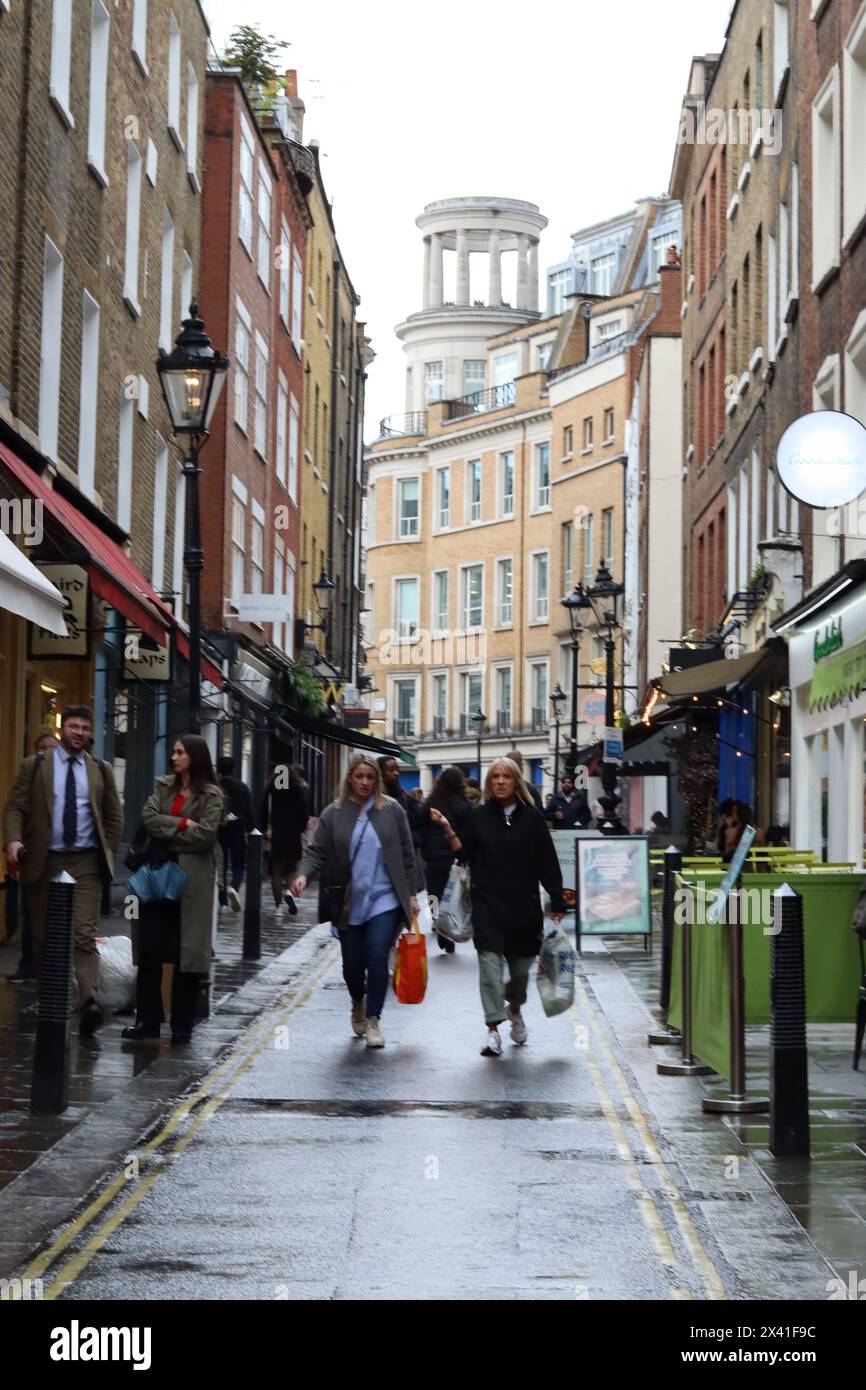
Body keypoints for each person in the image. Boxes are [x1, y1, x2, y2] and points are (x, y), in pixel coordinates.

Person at [429, 756, 566, 1057]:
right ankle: (493, 1031)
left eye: (506, 777)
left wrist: (557, 898)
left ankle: (514, 1009)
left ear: (516, 782)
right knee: (490, 969)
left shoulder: (532, 819)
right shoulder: (479, 816)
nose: (500, 782)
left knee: (519, 973)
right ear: (490, 783)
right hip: (487, 903)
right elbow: (466, 854)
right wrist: (447, 828)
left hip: (524, 907)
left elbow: (547, 861)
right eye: (495, 777)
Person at [3, 707, 122, 1035]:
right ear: (62, 730)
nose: (80, 732)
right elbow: (15, 806)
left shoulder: (101, 769)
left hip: (85, 861)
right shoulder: (36, 765)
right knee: (45, 937)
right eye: (74, 726)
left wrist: (106, 852)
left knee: (84, 933)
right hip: (45, 858)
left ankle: (88, 1001)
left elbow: (114, 815)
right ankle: (51, 997)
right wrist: (13, 840)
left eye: (85, 727)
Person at [291, 754, 419, 1049]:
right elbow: (316, 851)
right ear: (350, 778)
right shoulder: (333, 813)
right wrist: (303, 876)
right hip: (348, 901)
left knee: (376, 954)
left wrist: (411, 893)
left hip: (384, 898)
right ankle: (357, 1000)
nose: (364, 782)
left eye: (370, 777)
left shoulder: (393, 810)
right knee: (352, 966)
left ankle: (374, 1020)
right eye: (359, 776)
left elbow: (407, 854)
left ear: (377, 780)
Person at [122, 735, 224, 1045]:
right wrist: (182, 825)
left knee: (187, 954)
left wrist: (167, 834)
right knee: (149, 950)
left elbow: (205, 836)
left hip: (191, 882)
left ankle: (182, 1025)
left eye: (180, 752)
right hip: (155, 879)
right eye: (173, 752)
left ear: (194, 756)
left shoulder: (213, 795)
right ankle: (148, 1021)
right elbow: (148, 819)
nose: (174, 757)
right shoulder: (163, 786)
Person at [5, 732, 59, 983]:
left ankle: (53, 969)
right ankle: (30, 965)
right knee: (31, 917)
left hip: (63, 859)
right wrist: (14, 848)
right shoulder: (29, 770)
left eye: (51, 747)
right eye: (41, 747)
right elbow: (15, 809)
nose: (45, 752)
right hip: (32, 857)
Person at [417, 766, 472, 954]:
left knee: (433, 893)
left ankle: (436, 922)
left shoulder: (430, 802)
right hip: (454, 857)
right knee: (453, 894)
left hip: (432, 858)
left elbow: (421, 828)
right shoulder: (464, 805)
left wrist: (424, 849)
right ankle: (449, 926)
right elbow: (467, 833)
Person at [262, 764, 309, 921]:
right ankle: (289, 894)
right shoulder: (296, 789)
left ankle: (278, 908)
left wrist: (262, 830)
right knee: (290, 870)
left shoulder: (271, 789)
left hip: (276, 835)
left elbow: (262, 810)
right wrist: (301, 829)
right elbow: (304, 813)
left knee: (276, 871)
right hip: (293, 835)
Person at [216, 756, 255, 912]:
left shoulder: (215, 787)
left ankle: (223, 902)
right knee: (239, 864)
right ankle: (234, 888)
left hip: (220, 830)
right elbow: (249, 811)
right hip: (238, 830)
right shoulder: (242, 788)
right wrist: (252, 830)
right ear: (233, 769)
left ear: (218, 769)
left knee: (222, 866)